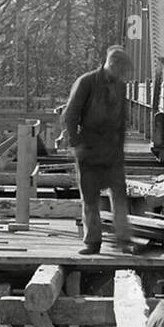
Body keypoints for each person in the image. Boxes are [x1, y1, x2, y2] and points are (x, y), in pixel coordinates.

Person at [60, 46, 134, 256]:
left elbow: (121, 121)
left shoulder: (120, 87)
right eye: (120, 69)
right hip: (90, 149)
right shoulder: (87, 82)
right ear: (112, 64)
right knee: (90, 198)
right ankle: (92, 242)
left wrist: (120, 149)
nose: (122, 75)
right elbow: (70, 116)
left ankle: (123, 240)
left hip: (112, 152)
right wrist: (77, 144)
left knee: (119, 196)